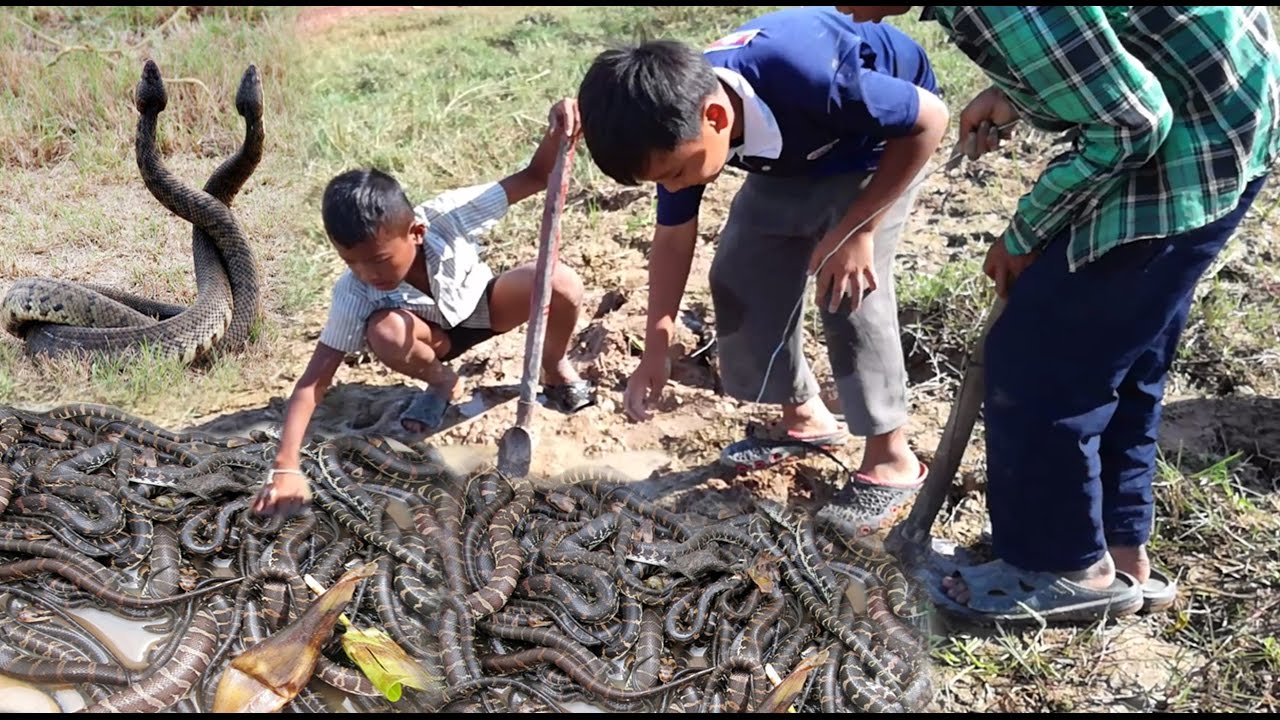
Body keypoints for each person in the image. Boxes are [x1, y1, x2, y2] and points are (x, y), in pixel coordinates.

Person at [836, 5, 1280, 623]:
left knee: (1039, 358)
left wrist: (1026, 231)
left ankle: (1062, 569)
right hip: (1230, 108)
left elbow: (1130, 125)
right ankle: (1117, 552)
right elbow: (1111, 47)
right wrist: (1022, 91)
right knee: (1117, 351)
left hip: (1193, 145)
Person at [574, 6, 950, 536]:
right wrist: (655, 350)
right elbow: (674, 236)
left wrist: (857, 232)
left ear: (718, 118)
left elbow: (929, 119)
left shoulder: (810, 80)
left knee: (847, 286)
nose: (675, 187)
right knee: (740, 273)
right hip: (795, 150)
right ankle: (804, 420)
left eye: (678, 173)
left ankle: (892, 460)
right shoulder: (671, 123)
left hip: (879, 147)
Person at [251, 100, 595, 518]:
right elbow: (313, 383)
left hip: (486, 307)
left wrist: (559, 131)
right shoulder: (353, 293)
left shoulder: (448, 215)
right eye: (350, 262)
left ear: (416, 232)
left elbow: (536, 176)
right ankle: (438, 383)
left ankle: (554, 367)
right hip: (432, 339)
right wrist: (285, 466)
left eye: (377, 260)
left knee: (560, 280)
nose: (365, 273)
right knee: (386, 331)